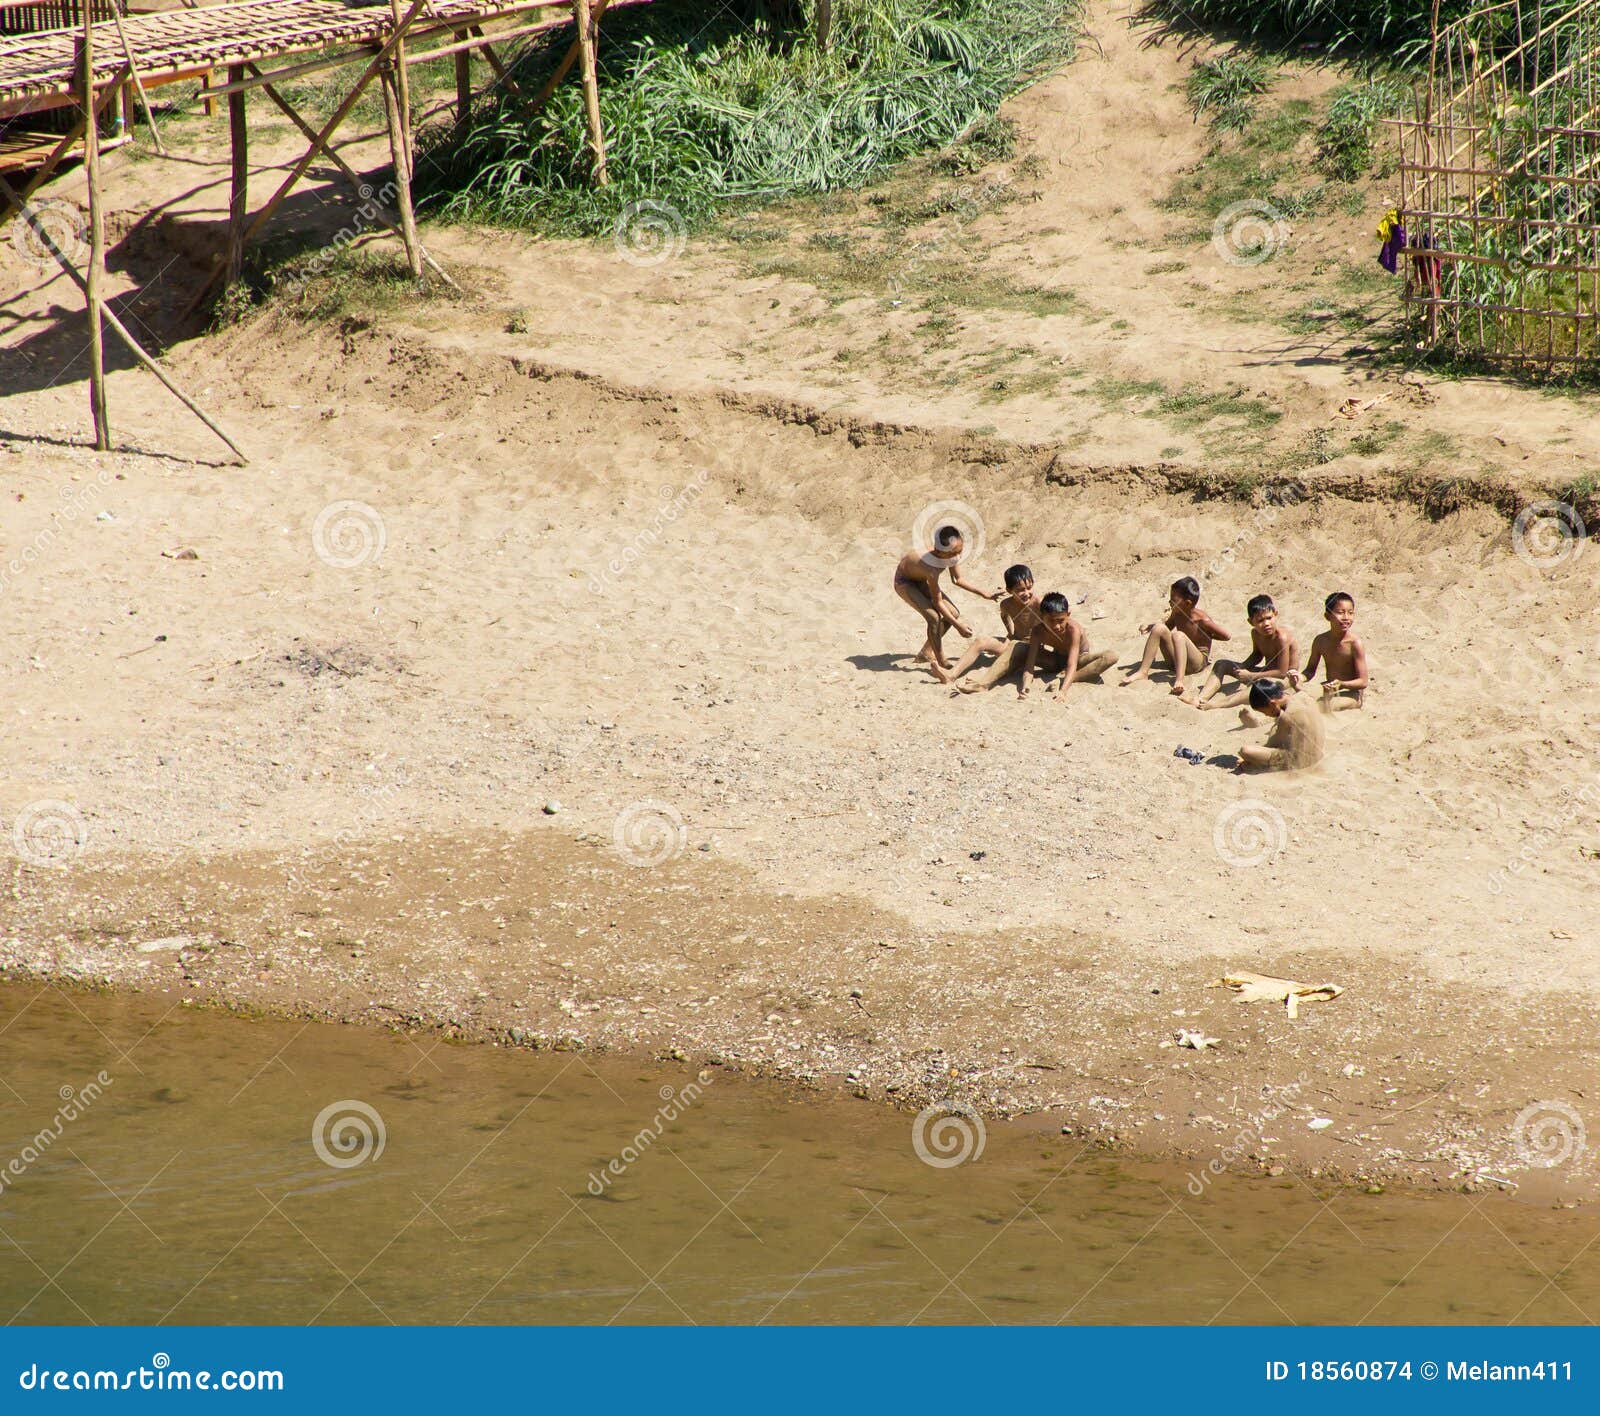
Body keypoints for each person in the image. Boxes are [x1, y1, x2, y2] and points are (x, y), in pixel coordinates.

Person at [892, 526, 999, 680]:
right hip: (904, 582)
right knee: (933, 617)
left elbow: (957, 579)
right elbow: (938, 602)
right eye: (954, 554)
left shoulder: (948, 554)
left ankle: (925, 653)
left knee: (953, 613)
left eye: (960, 551)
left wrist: (984, 593)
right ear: (939, 552)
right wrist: (958, 626)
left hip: (919, 580)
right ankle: (941, 661)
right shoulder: (931, 568)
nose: (957, 557)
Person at [1120, 576, 1230, 697]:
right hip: (1177, 659)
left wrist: (1208, 636)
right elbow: (1166, 627)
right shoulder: (1177, 613)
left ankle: (1179, 680)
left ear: (1187, 603)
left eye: (1173, 600)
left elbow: (1226, 636)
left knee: (1178, 635)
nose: (1169, 602)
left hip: (1196, 662)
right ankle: (1143, 671)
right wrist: (1150, 627)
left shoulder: (1202, 620)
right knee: (1159, 628)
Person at [1186, 594, 1298, 710]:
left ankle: (1216, 705)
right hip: (1265, 672)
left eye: (1269, 618)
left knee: (1258, 686)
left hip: (1285, 680)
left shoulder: (1282, 638)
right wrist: (1242, 666)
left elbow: (1282, 672)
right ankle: (1201, 698)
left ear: (1275, 614)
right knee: (1222, 664)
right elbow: (1257, 655)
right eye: (1260, 620)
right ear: (1251, 622)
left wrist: (1251, 675)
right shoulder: (1256, 633)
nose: (1266, 624)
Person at [943, 564, 1041, 684]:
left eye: (1029, 588)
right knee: (981, 641)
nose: (1026, 593)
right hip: (1015, 643)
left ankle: (981, 681)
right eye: (1020, 590)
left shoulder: (1038, 603)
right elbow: (1004, 616)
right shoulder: (1006, 604)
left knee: (1010, 656)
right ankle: (951, 674)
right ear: (1010, 590)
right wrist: (1010, 633)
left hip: (1032, 649)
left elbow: (1053, 628)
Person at [1291, 591, 1368, 712]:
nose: (1346, 618)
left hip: (1351, 693)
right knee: (1295, 702)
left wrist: (1341, 684)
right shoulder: (1320, 641)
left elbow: (1363, 682)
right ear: (1327, 616)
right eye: (1340, 613)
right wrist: (1300, 677)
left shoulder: (1355, 643)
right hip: (1328, 687)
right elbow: (1310, 670)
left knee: (1321, 707)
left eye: (1350, 613)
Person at [1238, 678, 1325, 771]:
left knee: (1246, 751)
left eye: (1264, 712)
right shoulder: (1304, 695)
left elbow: (1274, 745)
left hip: (1302, 761)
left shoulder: (1286, 717)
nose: (1266, 714)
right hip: (1320, 752)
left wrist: (1251, 758)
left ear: (1272, 704)